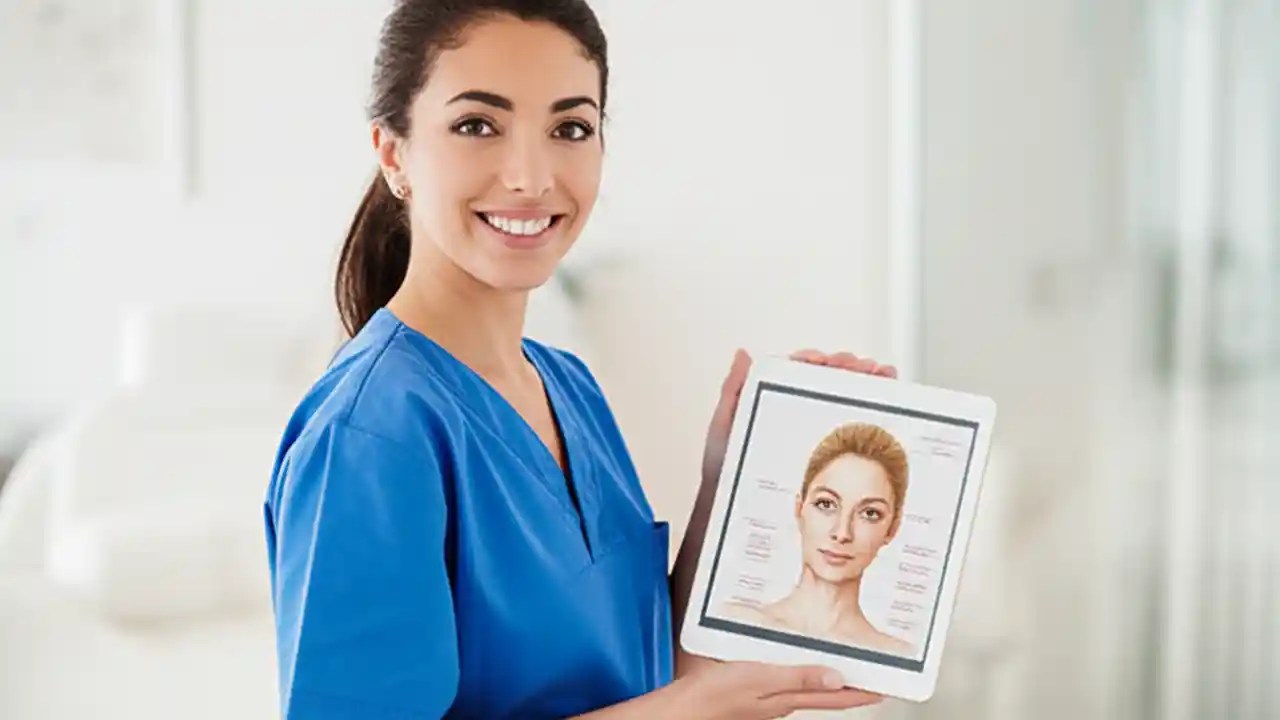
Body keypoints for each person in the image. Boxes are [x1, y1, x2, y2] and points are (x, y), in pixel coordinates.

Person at [262, 2, 898, 718]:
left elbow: (647, 668)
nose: (531, 177)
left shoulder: (568, 387)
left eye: (569, 128)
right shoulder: (372, 435)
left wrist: (730, 478)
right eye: (478, 125)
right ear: (393, 153)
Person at [725, 423, 915, 656]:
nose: (842, 533)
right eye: (826, 504)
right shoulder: (734, 622)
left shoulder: (897, 655)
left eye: (869, 513)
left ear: (892, 529)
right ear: (799, 508)